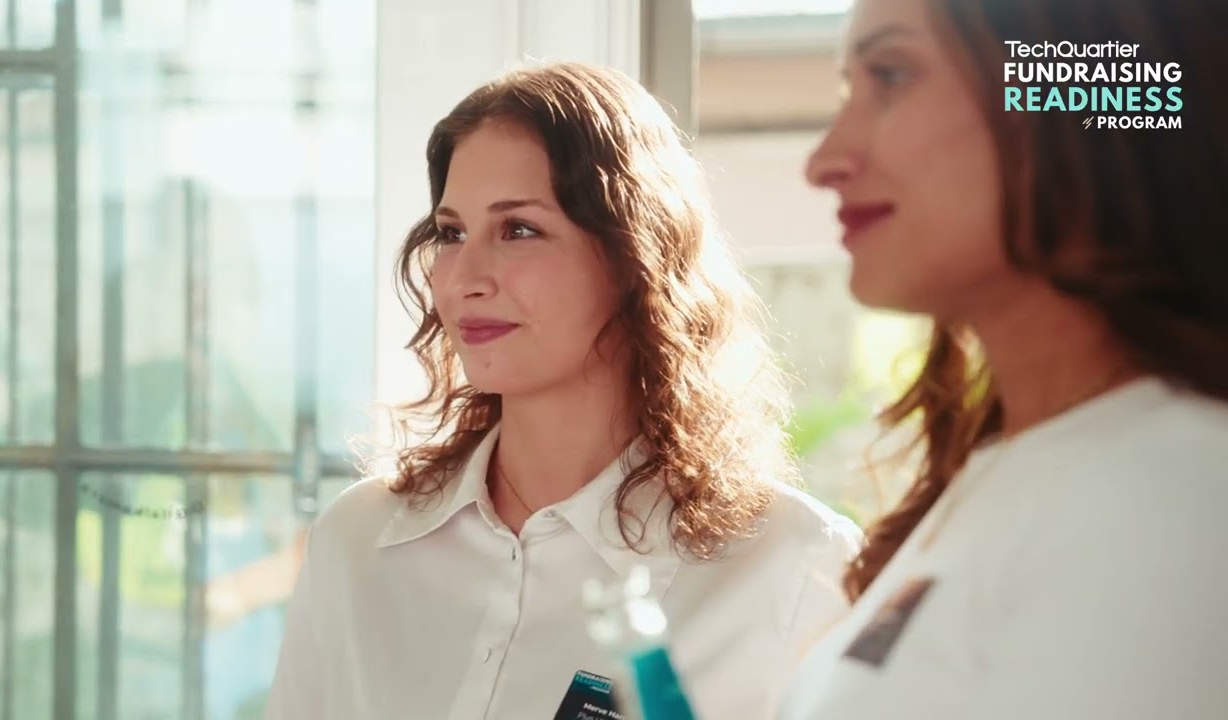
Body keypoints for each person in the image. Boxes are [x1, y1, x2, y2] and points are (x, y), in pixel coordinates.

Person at [264, 61, 861, 720]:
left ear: (636, 255)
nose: (465, 278)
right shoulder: (356, 544)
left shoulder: (794, 567)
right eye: (452, 233)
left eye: (518, 229)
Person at [777, 0, 1228, 718]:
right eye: (847, 90)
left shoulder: (1166, 501)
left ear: (1079, 102)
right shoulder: (1021, 466)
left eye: (891, 75)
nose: (824, 161)